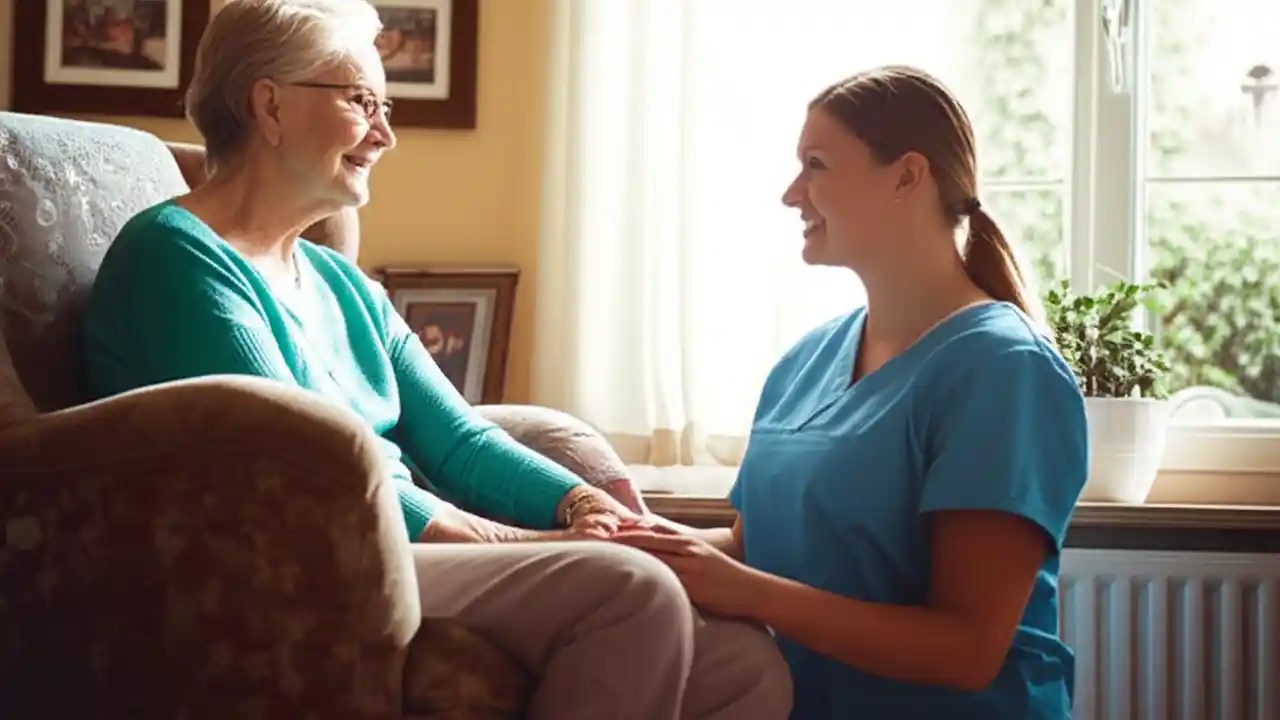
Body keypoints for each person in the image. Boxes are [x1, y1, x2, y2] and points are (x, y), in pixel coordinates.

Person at [79, 1, 791, 718]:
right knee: (629, 590)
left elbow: (462, 439)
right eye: (363, 102)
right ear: (269, 104)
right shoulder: (178, 256)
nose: (386, 134)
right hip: (294, 560)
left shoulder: (341, 284)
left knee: (745, 665)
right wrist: (516, 541)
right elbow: (304, 469)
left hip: (387, 543)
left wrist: (585, 505)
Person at [613, 66, 1089, 720]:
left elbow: (967, 649)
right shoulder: (802, 363)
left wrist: (746, 592)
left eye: (816, 164)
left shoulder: (1004, 370)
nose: (790, 194)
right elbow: (751, 553)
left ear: (906, 176)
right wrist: (629, 533)